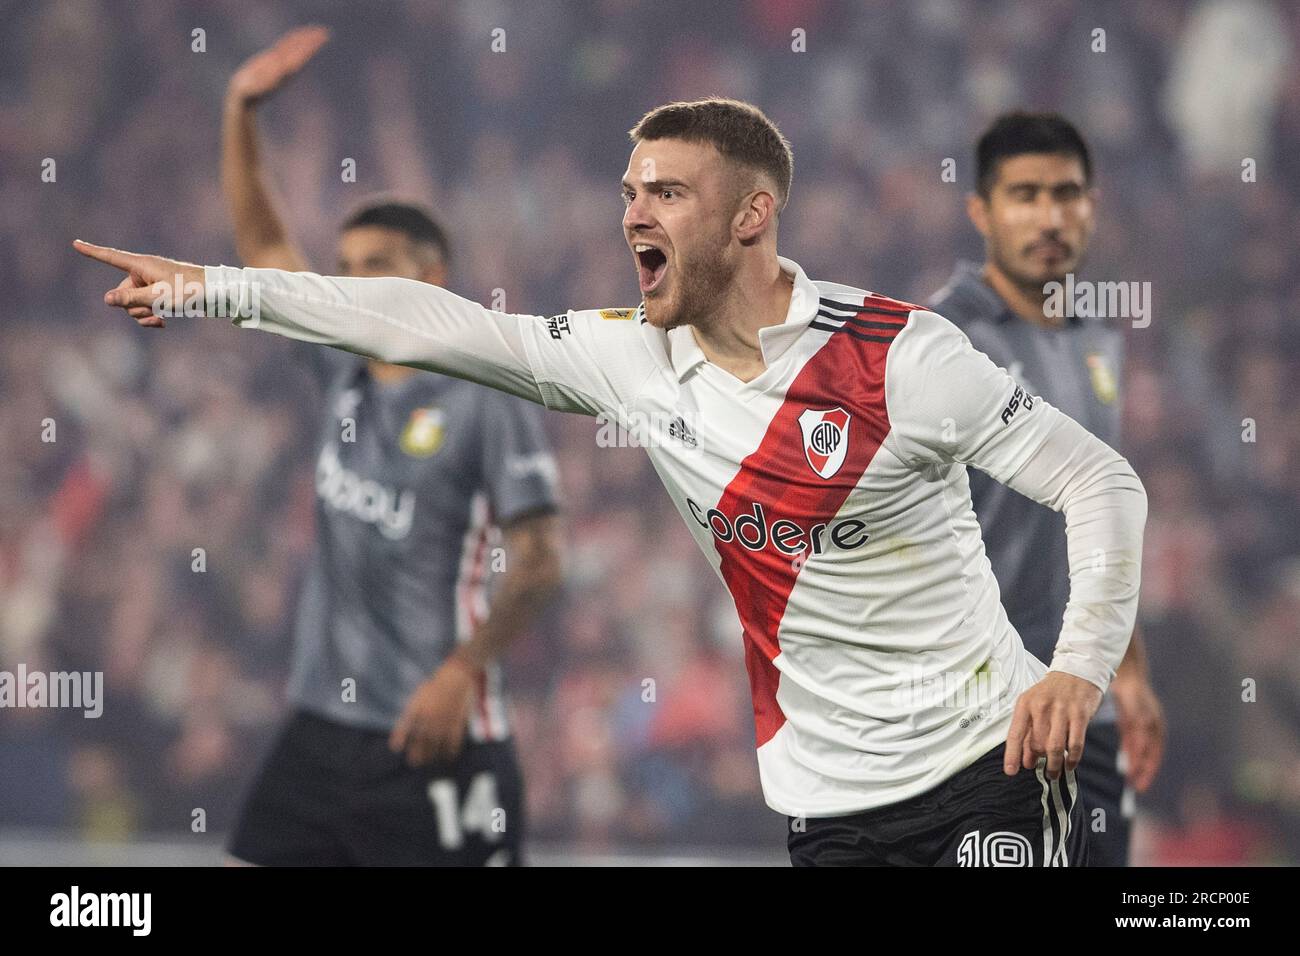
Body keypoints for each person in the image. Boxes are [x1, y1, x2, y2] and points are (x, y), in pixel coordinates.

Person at [76, 96, 1147, 867]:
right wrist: (214, 287)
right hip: (826, 802)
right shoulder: (629, 353)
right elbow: (430, 320)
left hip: (982, 763)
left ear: (750, 215)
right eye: (629, 191)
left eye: (668, 193)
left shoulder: (900, 356)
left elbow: (1103, 483)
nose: (634, 214)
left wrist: (1079, 669)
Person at [218, 27, 564, 866]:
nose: (347, 281)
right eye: (343, 265)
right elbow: (267, 252)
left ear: (431, 275)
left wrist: (462, 671)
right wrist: (239, 113)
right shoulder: (339, 368)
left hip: (437, 736)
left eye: (373, 264)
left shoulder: (487, 392)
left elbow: (543, 559)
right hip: (319, 732)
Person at [928, 112, 1166, 866]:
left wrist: (1129, 673)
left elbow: (1100, 525)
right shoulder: (937, 340)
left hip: (1087, 711)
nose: (1050, 217)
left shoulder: (1098, 340)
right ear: (981, 212)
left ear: (1092, 204)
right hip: (983, 721)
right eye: (1024, 195)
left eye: (1067, 194)